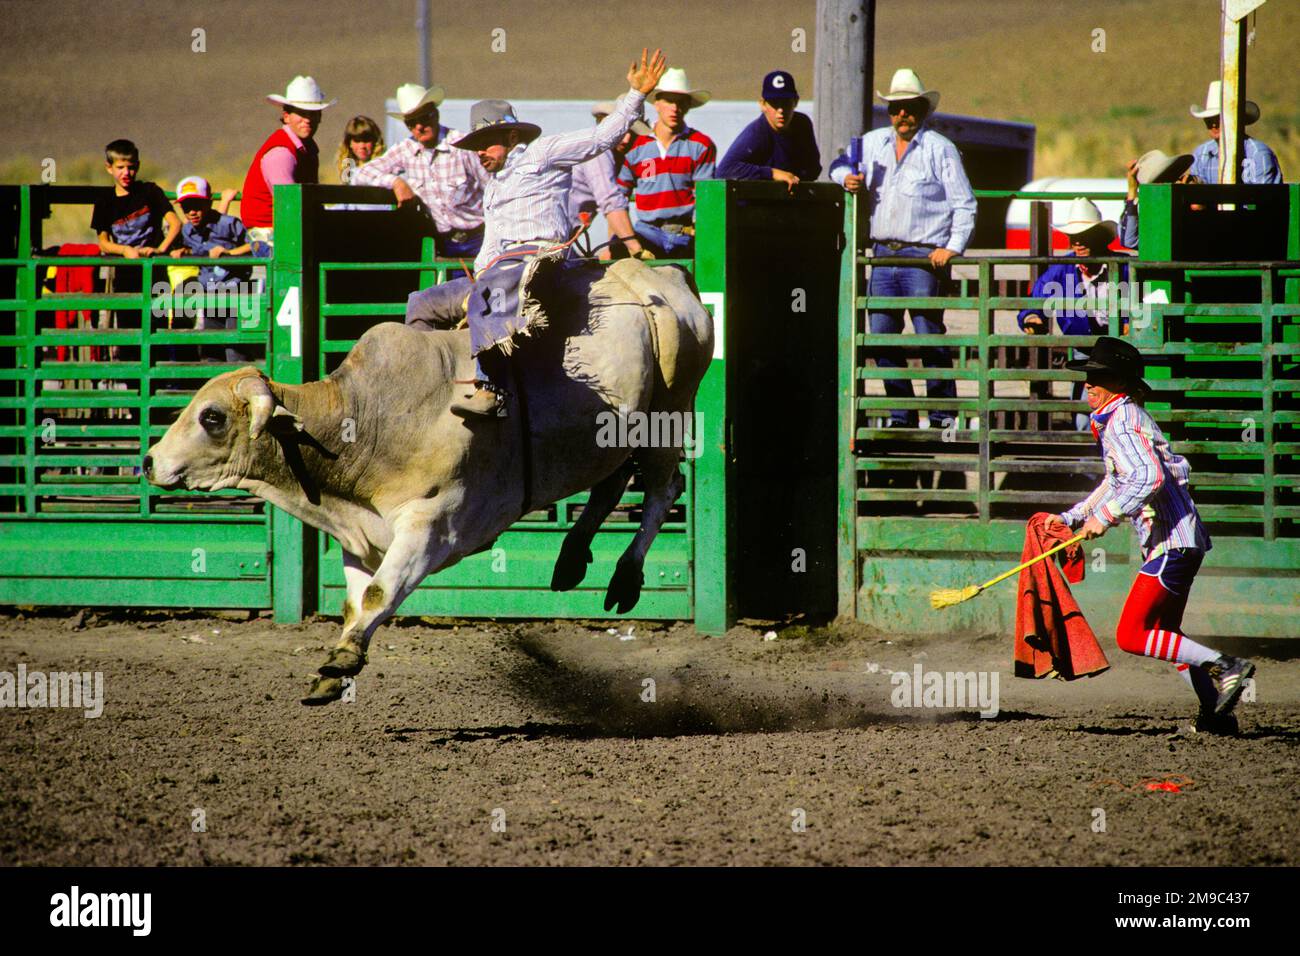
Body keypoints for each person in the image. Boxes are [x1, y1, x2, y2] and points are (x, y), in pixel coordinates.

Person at [403, 48, 668, 419]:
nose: (480, 153)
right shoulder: (493, 186)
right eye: (476, 146)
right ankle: (424, 384)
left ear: (511, 136)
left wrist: (636, 96)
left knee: (490, 289)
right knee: (421, 302)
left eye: (486, 143)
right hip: (498, 269)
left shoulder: (542, 153)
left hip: (539, 262)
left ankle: (491, 389)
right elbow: (491, 240)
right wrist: (480, 271)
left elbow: (598, 140)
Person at [1045, 336, 1254, 734]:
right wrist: (1075, 517)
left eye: (1098, 377)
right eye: (1088, 376)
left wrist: (1103, 518)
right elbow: (1116, 480)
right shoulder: (1121, 418)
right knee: (1165, 634)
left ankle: (1227, 666)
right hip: (1181, 540)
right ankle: (1215, 714)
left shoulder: (1121, 421)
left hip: (1171, 542)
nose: (1088, 384)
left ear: (1120, 382)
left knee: (1132, 634)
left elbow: (1148, 477)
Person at [829, 68, 976, 429]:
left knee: (928, 336)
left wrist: (952, 248)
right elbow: (837, 165)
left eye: (909, 108)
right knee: (881, 338)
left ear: (922, 110)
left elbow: (965, 203)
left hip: (923, 256)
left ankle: (942, 416)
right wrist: (844, 177)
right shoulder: (872, 143)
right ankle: (902, 413)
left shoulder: (940, 149)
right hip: (883, 252)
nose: (901, 115)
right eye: (895, 109)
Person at [1018, 197, 1130, 430]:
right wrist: (1031, 316)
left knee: (1121, 413)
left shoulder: (1123, 267)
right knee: (1084, 417)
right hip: (1084, 350)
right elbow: (1035, 297)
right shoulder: (1062, 268)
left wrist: (1131, 322)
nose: (1078, 242)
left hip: (1120, 350)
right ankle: (1087, 463)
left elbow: (1146, 299)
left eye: (1085, 236)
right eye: (1074, 237)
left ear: (1100, 237)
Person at [351, 83, 487, 259]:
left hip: (480, 239)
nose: (419, 127)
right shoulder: (406, 149)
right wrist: (396, 182)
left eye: (423, 118)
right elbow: (360, 174)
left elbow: (491, 186)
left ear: (435, 115)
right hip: (443, 244)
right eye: (411, 123)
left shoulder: (461, 145)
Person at [90, 139, 182, 352]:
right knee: (129, 330)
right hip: (126, 275)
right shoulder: (105, 201)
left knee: (157, 327)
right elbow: (103, 242)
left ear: (137, 166)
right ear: (109, 168)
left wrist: (160, 249)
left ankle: (159, 381)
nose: (126, 173)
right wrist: (124, 250)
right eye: (120, 167)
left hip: (155, 272)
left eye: (130, 167)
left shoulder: (150, 192)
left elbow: (175, 223)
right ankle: (132, 381)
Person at [616, 67, 716, 259]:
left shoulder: (701, 146)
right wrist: (626, 240)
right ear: (657, 103)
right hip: (646, 235)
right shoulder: (637, 149)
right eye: (669, 100)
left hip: (685, 236)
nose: (674, 108)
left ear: (688, 106)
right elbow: (617, 199)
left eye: (680, 102)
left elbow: (706, 197)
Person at [240, 75, 336, 255]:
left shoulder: (306, 149)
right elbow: (290, 207)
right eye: (301, 113)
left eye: (313, 113)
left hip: (289, 228)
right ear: (286, 117)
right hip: (270, 233)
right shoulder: (281, 153)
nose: (307, 119)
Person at [169, 175, 254, 363]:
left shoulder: (229, 224)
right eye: (186, 207)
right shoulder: (187, 232)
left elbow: (255, 244)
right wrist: (184, 251)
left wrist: (230, 253)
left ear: (208, 204)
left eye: (197, 206)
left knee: (235, 347)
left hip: (236, 292)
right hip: (210, 291)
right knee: (211, 348)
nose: (192, 212)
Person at [569, 101, 652, 260]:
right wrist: (635, 248)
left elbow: (615, 202)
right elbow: (610, 200)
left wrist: (611, 247)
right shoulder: (598, 152)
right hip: (552, 239)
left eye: (632, 133)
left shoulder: (614, 158)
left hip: (561, 237)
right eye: (622, 131)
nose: (627, 139)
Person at [717, 70, 820, 189]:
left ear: (796, 102)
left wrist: (793, 180)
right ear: (763, 104)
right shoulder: (757, 132)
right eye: (775, 103)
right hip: (756, 202)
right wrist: (772, 173)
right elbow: (724, 170)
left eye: (786, 103)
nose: (780, 110)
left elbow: (813, 169)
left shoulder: (802, 124)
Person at [1187, 80, 1283, 185]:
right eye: (1209, 121)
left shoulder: (1258, 154)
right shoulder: (1201, 154)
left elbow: (1262, 198)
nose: (1214, 125)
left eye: (1219, 119)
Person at [1119, 150, 1196, 250]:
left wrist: (1132, 191)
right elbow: (1129, 241)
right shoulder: (1150, 210)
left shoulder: (1186, 200)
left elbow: (1129, 241)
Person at [336, 115, 386, 183]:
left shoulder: (384, 166)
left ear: (375, 142)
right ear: (349, 143)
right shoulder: (347, 167)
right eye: (357, 141)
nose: (362, 146)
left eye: (366, 140)